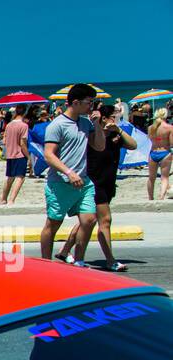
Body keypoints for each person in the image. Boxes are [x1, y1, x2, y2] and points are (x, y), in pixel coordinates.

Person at [59, 103, 135, 271]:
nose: (115, 120)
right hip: (93, 184)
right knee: (105, 221)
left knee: (87, 221)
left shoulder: (116, 136)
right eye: (113, 117)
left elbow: (133, 145)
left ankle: (64, 252)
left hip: (108, 184)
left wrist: (119, 130)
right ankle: (110, 260)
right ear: (104, 119)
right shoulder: (92, 136)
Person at [38, 84, 105, 265]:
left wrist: (97, 124)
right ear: (75, 103)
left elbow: (99, 146)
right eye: (89, 102)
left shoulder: (86, 123)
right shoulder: (57, 125)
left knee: (89, 220)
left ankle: (79, 260)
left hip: (84, 182)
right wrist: (69, 172)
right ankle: (45, 263)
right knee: (52, 225)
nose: (92, 106)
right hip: (60, 183)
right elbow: (48, 155)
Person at [0, 105, 30, 205]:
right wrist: (29, 157)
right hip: (19, 154)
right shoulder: (24, 125)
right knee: (20, 177)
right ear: (24, 113)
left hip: (10, 154)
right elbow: (23, 143)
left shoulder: (9, 125)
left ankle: (3, 199)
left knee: (10, 177)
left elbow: (4, 140)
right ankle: (11, 200)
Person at [148, 107, 172, 201]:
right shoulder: (169, 128)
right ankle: (161, 197)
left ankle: (150, 198)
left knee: (151, 178)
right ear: (165, 115)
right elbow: (171, 143)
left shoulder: (151, 128)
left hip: (153, 153)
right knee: (164, 177)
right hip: (165, 153)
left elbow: (151, 140)